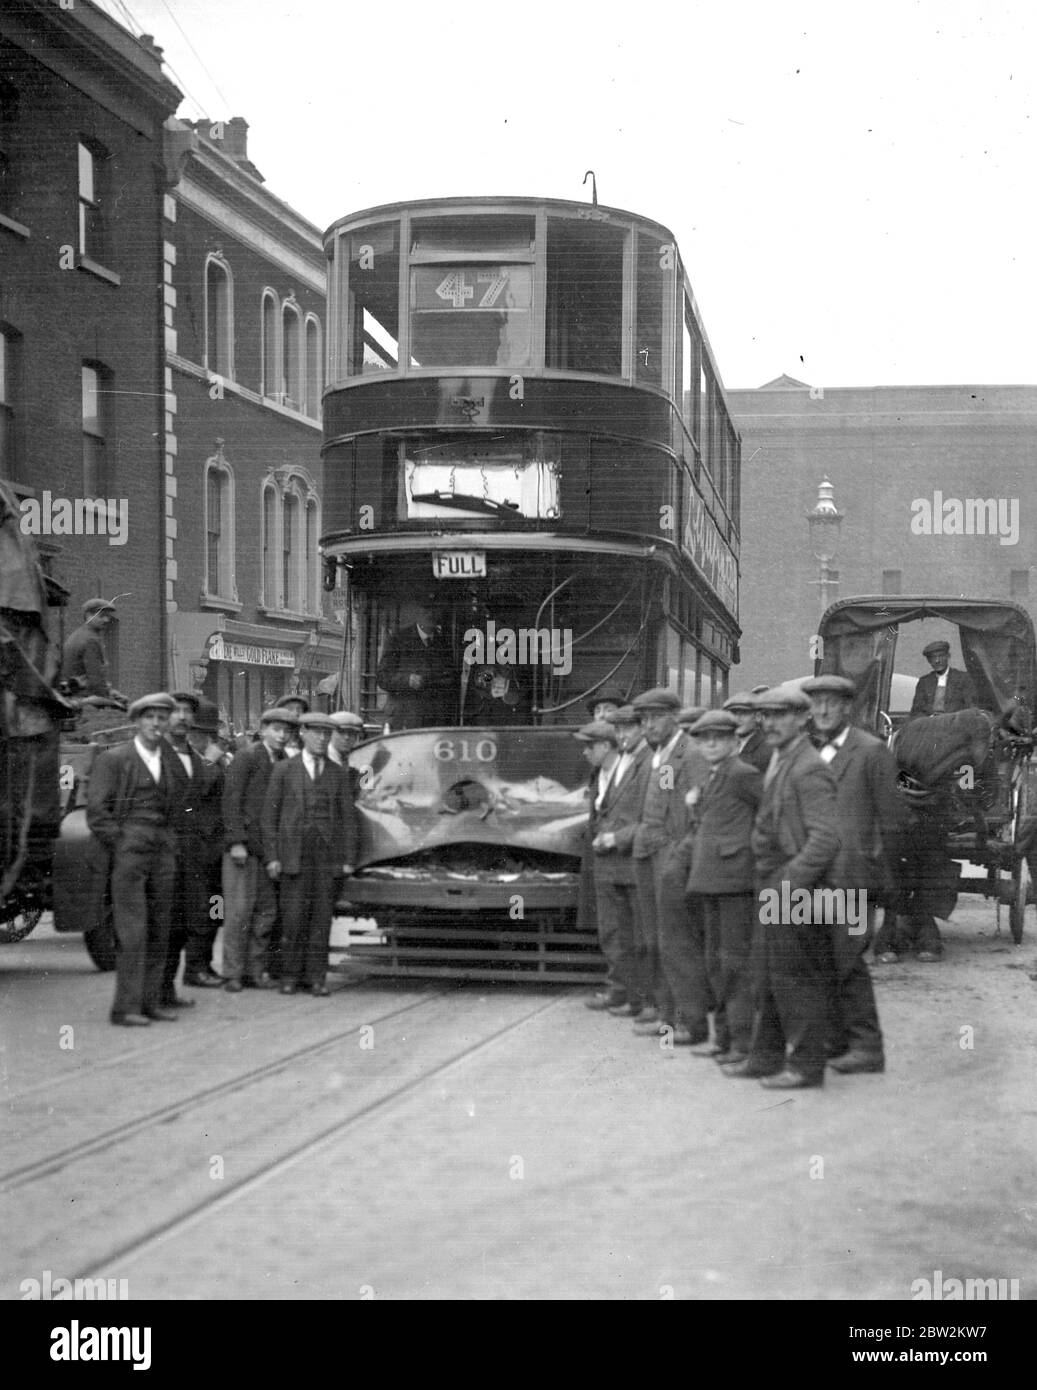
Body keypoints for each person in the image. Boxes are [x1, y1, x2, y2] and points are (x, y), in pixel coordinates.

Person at [723, 684, 841, 1089]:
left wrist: (788, 885)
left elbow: (825, 839)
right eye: (764, 715)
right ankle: (766, 1057)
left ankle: (807, 1066)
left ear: (803, 718)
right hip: (773, 883)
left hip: (795, 890)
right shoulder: (782, 758)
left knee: (796, 979)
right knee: (771, 974)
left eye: (779, 715)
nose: (768, 723)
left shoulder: (809, 767)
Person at [803, 674, 902, 1073]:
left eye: (832, 703)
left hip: (853, 877)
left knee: (847, 960)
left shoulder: (872, 752)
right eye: (817, 703)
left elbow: (893, 821)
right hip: (812, 876)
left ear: (848, 708)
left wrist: (876, 877)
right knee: (821, 959)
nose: (823, 710)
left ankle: (868, 1046)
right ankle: (836, 1039)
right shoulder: (807, 751)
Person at [85, 692, 183, 1026]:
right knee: (132, 930)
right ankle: (125, 1008)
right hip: (130, 851)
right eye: (149, 718)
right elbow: (97, 813)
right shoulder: (115, 760)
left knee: (160, 927)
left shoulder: (168, 761)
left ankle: (150, 1003)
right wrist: (122, 842)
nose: (156, 724)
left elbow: (176, 807)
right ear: (137, 722)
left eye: (161, 718)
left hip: (162, 852)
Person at [629, 687, 710, 1045]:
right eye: (643, 719)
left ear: (674, 717)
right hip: (648, 856)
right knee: (656, 941)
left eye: (655, 717)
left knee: (678, 943)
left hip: (672, 857)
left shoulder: (689, 754)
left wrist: (682, 857)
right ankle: (667, 1016)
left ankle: (690, 1020)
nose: (648, 725)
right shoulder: (654, 754)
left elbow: (700, 812)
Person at [685, 709, 763, 1066]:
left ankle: (743, 1043)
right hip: (713, 879)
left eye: (719, 737)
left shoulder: (743, 773)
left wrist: (747, 850)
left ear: (734, 741)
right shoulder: (716, 774)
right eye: (704, 739)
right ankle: (725, 1038)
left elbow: (770, 813)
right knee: (716, 963)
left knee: (734, 964)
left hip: (735, 881)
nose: (711, 743)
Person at [263, 712, 359, 996]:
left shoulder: (337, 774)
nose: (322, 738)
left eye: (326, 734)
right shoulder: (283, 770)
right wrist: (272, 857)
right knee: (292, 919)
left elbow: (347, 820)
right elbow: (269, 818)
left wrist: (348, 860)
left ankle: (316, 978)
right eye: (316, 732)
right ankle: (289, 977)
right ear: (302, 733)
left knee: (320, 920)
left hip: (326, 860)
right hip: (293, 856)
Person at [221, 707, 296, 992]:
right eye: (276, 729)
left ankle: (254, 971)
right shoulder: (248, 756)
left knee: (265, 912)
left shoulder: (284, 760)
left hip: (266, 851)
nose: (282, 735)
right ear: (263, 729)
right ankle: (233, 974)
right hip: (244, 850)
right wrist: (237, 841)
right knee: (239, 914)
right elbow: (231, 800)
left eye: (287, 731)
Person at [580, 717, 649, 1014]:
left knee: (635, 933)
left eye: (589, 746)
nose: (585, 752)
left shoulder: (638, 768)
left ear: (605, 746)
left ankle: (639, 998)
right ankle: (619, 990)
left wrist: (615, 838)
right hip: (606, 863)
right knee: (611, 931)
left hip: (628, 859)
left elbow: (650, 818)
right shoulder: (601, 774)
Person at [160, 691, 225, 999]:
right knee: (171, 922)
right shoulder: (171, 756)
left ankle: (186, 976)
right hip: (171, 852)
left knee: (202, 915)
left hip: (202, 853)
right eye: (177, 712)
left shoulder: (199, 760)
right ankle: (167, 985)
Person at [376, 596, 457, 729]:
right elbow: (382, 677)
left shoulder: (444, 644)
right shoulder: (398, 639)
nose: (430, 614)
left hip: (435, 723)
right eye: (426, 609)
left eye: (434, 610)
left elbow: (451, 679)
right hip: (404, 721)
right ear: (417, 613)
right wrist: (407, 680)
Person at [60, 598, 126, 704]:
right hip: (84, 700)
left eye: (108, 616)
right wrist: (109, 698)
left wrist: (110, 692)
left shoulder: (79, 634)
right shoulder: (90, 639)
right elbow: (96, 679)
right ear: (88, 616)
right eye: (101, 616)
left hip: (73, 697)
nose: (106, 620)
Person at [910, 640, 978, 716]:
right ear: (929, 661)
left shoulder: (962, 678)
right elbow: (916, 711)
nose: (937, 661)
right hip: (930, 723)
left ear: (948, 656)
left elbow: (971, 707)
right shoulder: (924, 682)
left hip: (954, 723)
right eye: (933, 657)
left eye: (941, 656)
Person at [723, 690, 772, 772]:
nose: (737, 719)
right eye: (734, 713)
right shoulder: (727, 745)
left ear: (758, 717)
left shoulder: (766, 749)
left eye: (744, 713)